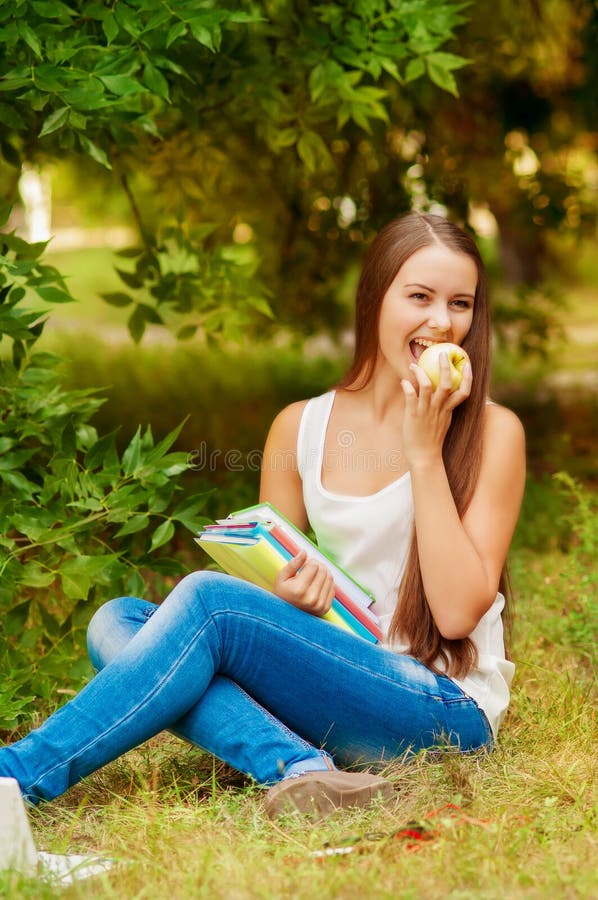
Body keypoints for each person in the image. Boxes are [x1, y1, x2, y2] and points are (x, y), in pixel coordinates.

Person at [0, 212, 526, 818]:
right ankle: (301, 768)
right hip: (333, 674)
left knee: (206, 604)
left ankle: (17, 775)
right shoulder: (300, 426)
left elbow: (459, 613)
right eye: (420, 297)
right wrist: (287, 595)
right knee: (118, 622)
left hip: (442, 708)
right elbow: (262, 597)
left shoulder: (493, 431)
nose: (442, 321)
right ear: (376, 299)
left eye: (460, 303)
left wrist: (425, 453)